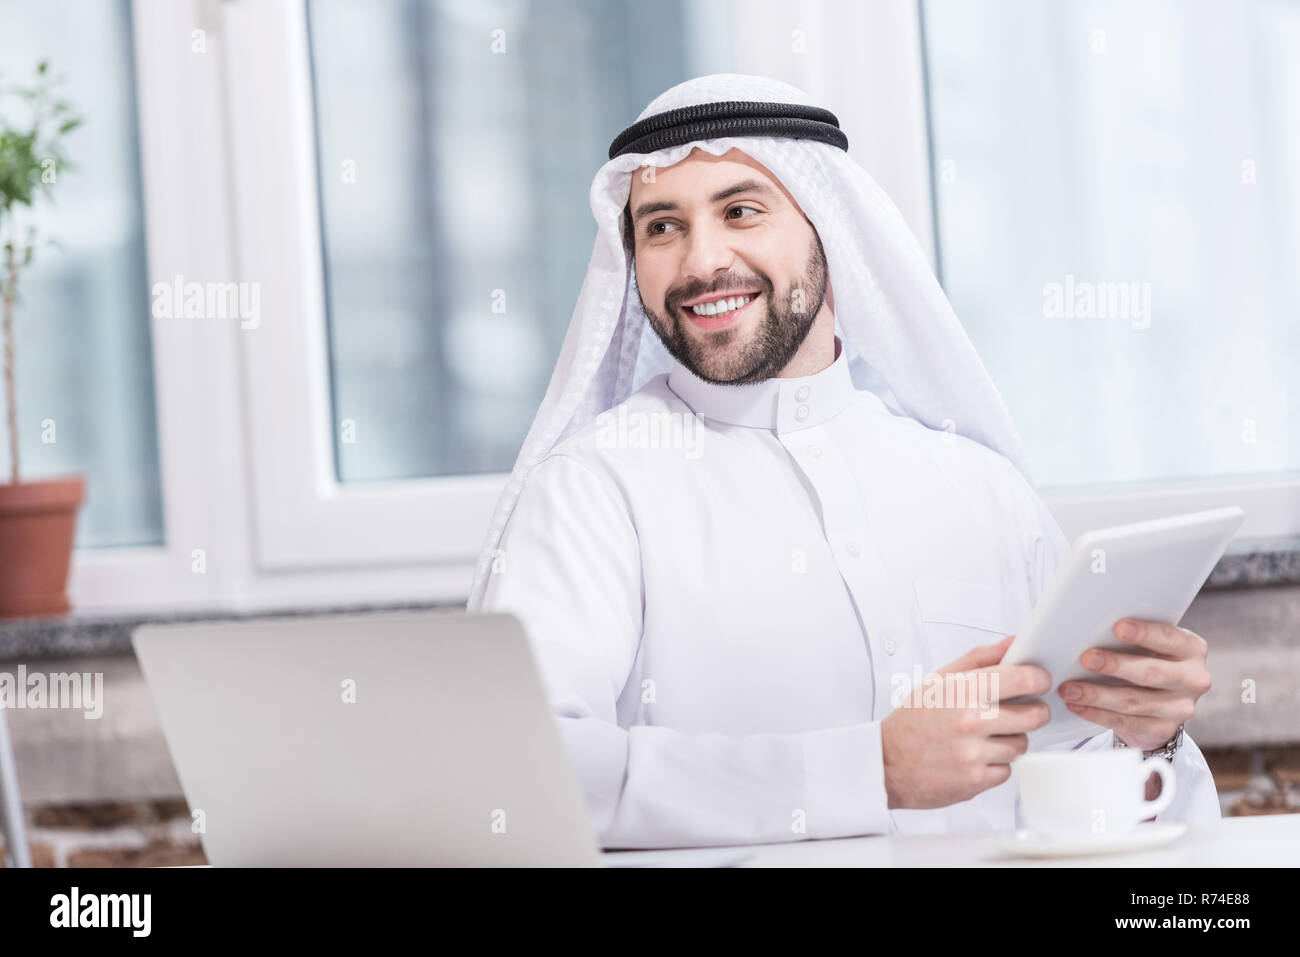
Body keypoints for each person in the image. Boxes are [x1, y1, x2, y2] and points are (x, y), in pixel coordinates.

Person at [466, 73, 1221, 848]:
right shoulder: (593, 490)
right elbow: (519, 775)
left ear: (831, 228)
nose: (700, 260)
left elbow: (1090, 803)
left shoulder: (983, 490)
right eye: (661, 227)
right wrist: (871, 769)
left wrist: (1147, 734)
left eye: (740, 210)